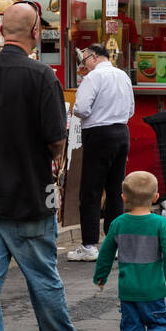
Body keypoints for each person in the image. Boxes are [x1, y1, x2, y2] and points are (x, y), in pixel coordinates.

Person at [0, 1, 89, 331]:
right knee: (43, 278)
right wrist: (55, 160)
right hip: (31, 198)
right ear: (36, 33)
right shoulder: (42, 77)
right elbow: (56, 139)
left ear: (2, 31)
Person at [93, 170, 166, 331]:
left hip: (128, 291)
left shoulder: (118, 223)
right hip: (153, 291)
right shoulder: (160, 224)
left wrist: (101, 276)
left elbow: (105, 253)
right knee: (160, 325)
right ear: (155, 198)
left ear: (123, 197)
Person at [67, 43, 135, 262]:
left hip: (98, 133)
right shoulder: (122, 76)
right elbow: (131, 109)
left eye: (84, 58)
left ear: (94, 57)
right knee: (116, 189)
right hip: (121, 131)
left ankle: (89, 245)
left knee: (91, 189)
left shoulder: (93, 78)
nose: (83, 63)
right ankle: (114, 244)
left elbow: (81, 108)